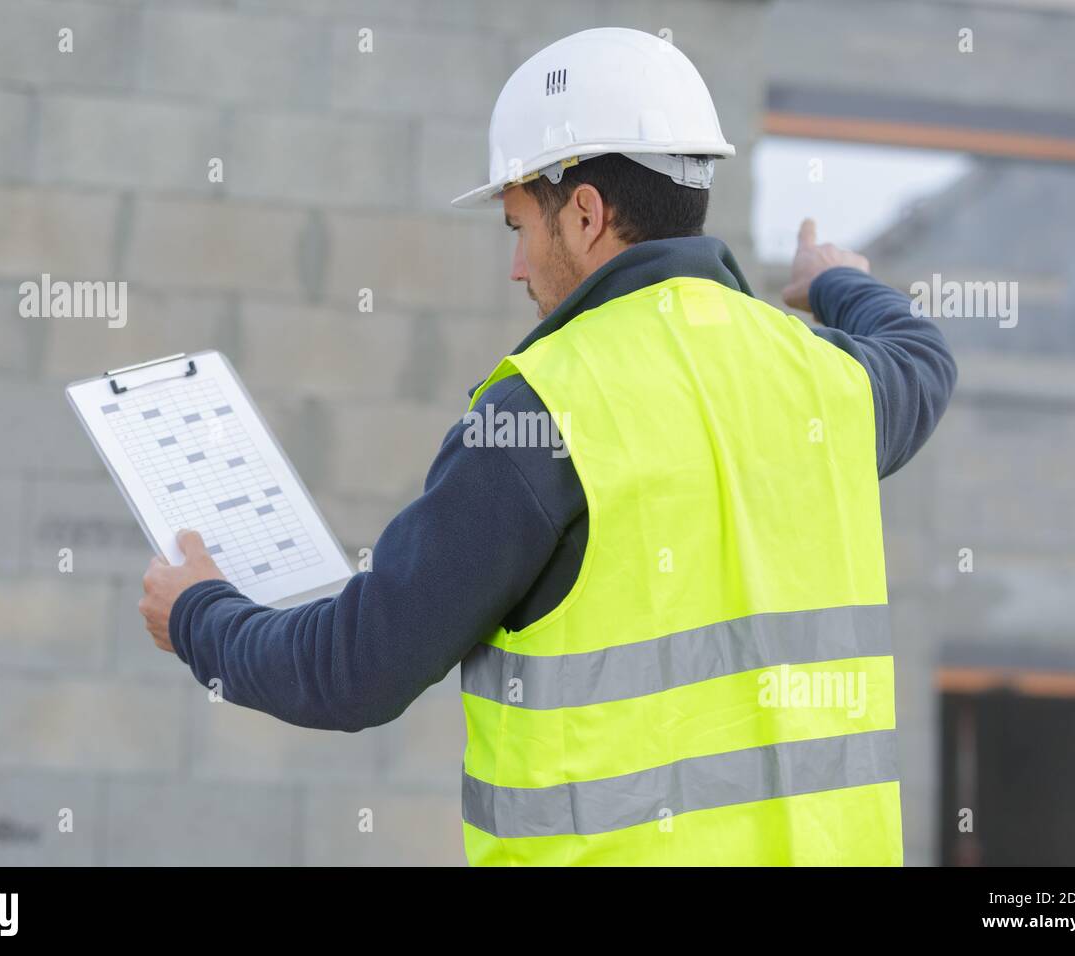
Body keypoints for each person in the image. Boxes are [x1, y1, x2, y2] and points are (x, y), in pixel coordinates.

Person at [140, 27, 956, 865]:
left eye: (517, 227)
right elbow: (923, 360)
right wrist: (832, 280)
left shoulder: (544, 411)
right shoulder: (821, 378)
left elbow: (358, 667)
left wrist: (202, 617)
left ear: (587, 214)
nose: (518, 267)